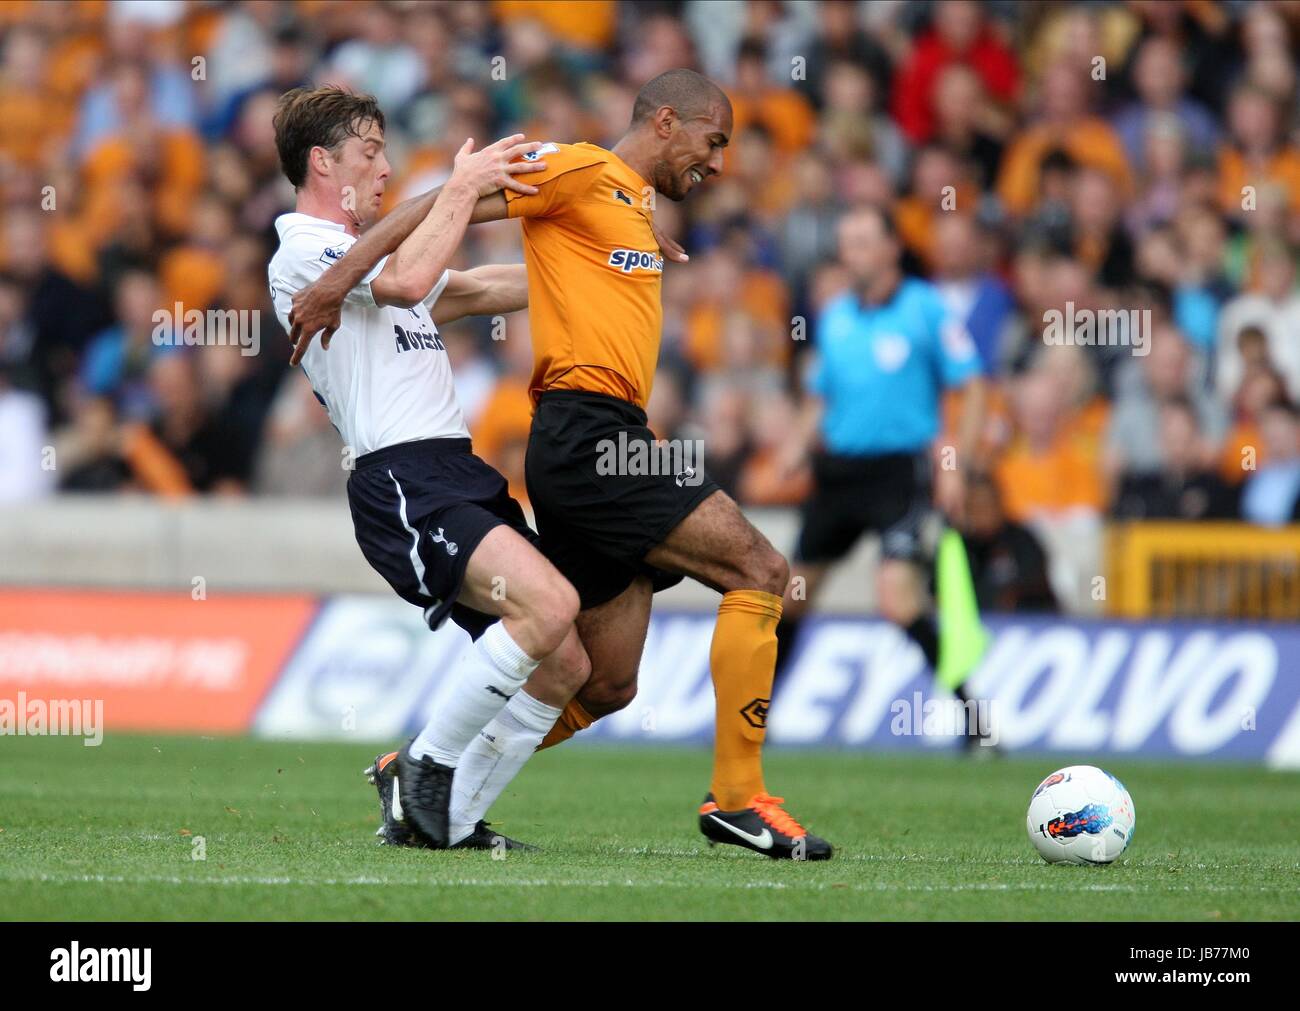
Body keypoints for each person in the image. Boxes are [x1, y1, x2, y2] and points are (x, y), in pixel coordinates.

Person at [289, 69, 832, 861]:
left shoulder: (631, 208)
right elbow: (440, 206)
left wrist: (632, 245)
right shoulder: (580, 168)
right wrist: (341, 277)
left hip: (593, 440)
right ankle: (739, 800)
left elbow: (518, 278)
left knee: (603, 679)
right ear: (668, 122)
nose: (718, 164)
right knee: (761, 570)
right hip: (590, 434)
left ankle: (420, 781)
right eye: (714, 141)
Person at [268, 85, 593, 851]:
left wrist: (614, 271)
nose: (384, 166)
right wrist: (462, 187)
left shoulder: (375, 252)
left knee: (563, 663)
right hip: (401, 479)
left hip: (456, 470)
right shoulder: (306, 251)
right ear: (324, 162)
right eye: (370, 151)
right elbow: (410, 283)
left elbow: (476, 288)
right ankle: (425, 766)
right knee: (549, 606)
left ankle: (436, 817)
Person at [774, 204, 992, 745]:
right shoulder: (836, 316)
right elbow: (819, 398)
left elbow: (974, 389)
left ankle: (974, 720)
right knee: (791, 598)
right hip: (839, 476)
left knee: (897, 599)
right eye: (847, 244)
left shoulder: (926, 308)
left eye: (864, 241)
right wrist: (797, 448)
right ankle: (753, 722)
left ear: (893, 247)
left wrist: (954, 464)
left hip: (900, 475)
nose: (853, 254)